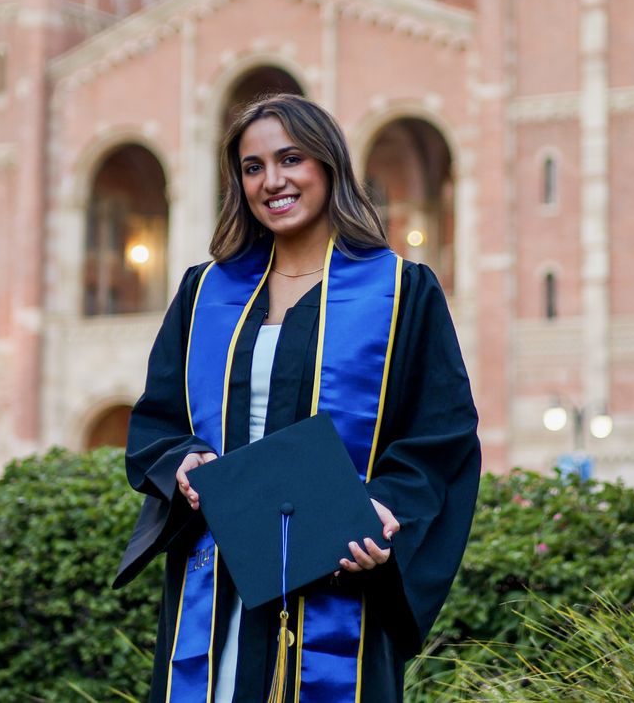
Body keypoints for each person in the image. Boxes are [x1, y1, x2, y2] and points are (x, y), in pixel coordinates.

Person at [114, 94, 480, 702]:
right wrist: (180, 461)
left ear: (329, 165)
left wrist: (387, 513)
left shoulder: (400, 292)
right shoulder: (206, 292)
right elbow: (159, 418)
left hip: (337, 577)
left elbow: (439, 437)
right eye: (252, 167)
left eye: (291, 159)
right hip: (219, 571)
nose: (272, 181)